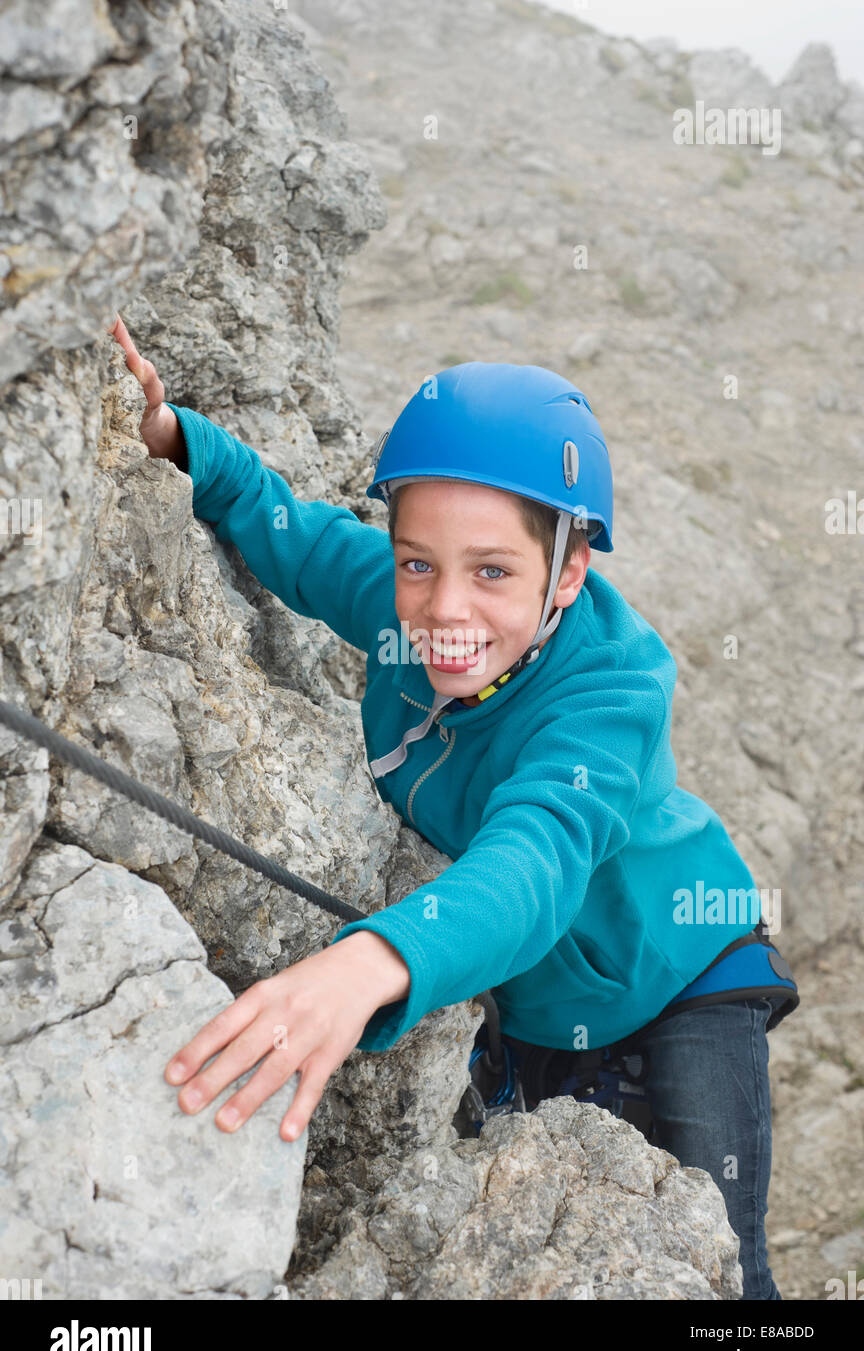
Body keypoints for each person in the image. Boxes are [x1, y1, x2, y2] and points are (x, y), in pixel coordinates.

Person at [109, 316, 793, 1299]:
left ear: (570, 570)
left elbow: (537, 859)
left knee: (725, 1262)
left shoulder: (610, 692)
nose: (444, 610)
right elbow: (294, 537)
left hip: (685, 978)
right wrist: (176, 439)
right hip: (538, 1004)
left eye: (494, 571)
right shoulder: (409, 607)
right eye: (418, 559)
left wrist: (370, 961)